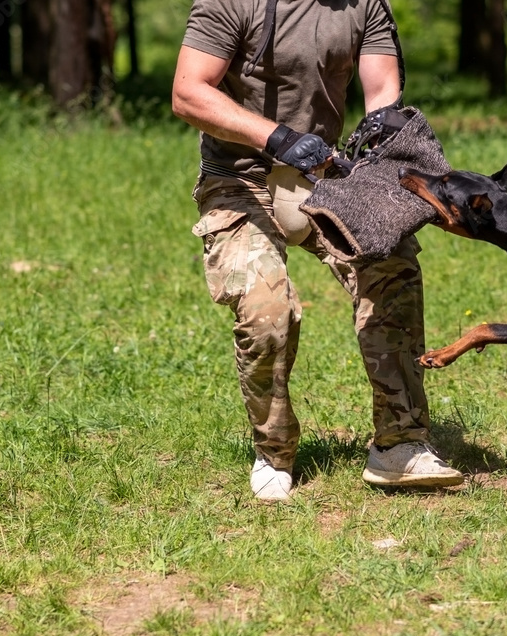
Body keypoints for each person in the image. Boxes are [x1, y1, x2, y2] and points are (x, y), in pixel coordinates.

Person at [172, 0, 463, 499]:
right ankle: (274, 450)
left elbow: (382, 95)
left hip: (323, 176)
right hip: (239, 180)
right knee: (267, 312)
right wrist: (277, 137)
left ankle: (400, 444)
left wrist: (381, 156)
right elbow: (188, 93)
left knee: (390, 264)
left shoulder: (365, 4)